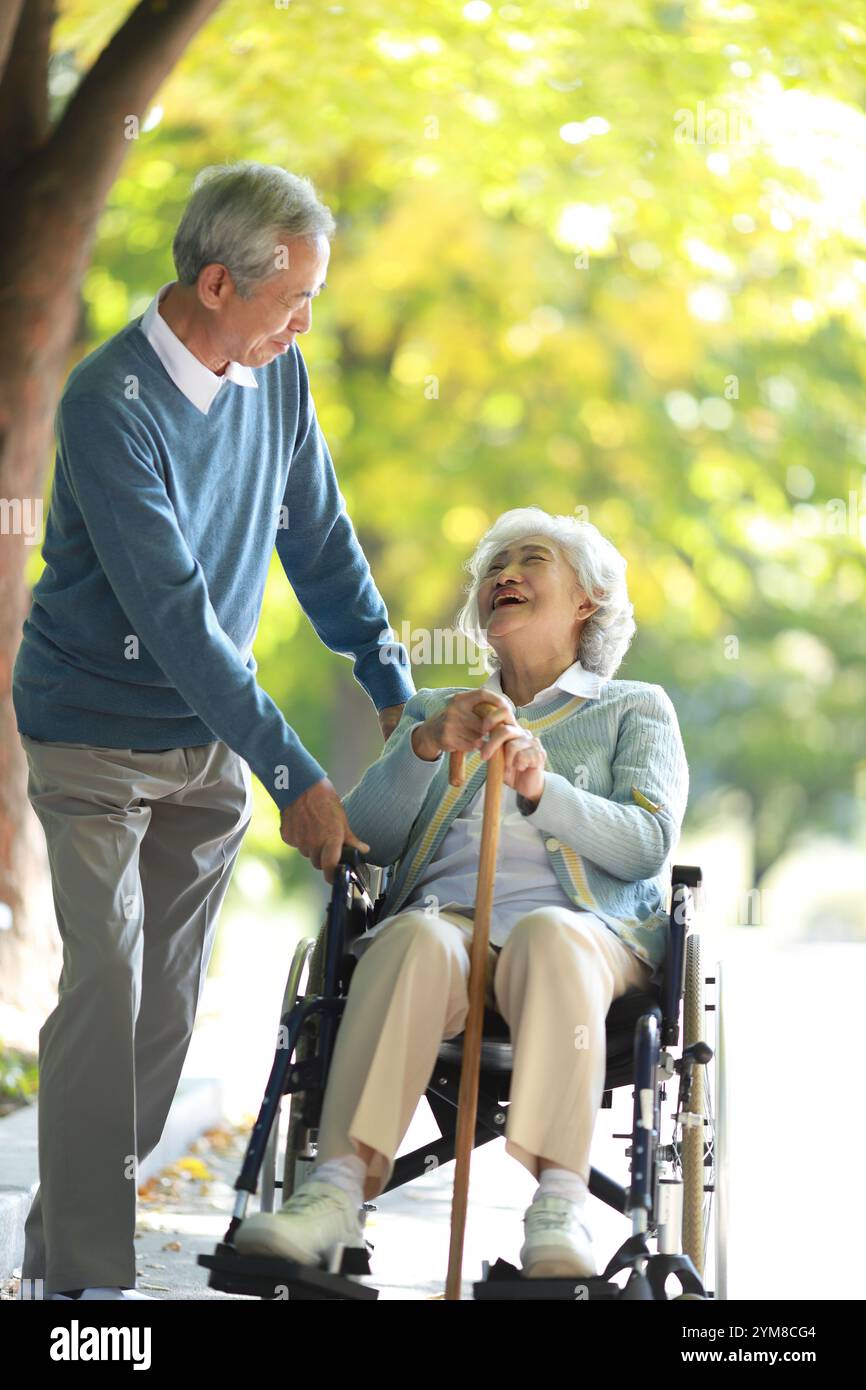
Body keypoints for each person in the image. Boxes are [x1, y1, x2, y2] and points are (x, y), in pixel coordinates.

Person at [12, 162, 413, 1301]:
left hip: (202, 741)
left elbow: (320, 539)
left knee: (166, 1013)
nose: (305, 323)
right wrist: (294, 772)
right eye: (292, 300)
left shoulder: (273, 381)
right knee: (104, 978)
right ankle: (88, 1282)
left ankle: (59, 1238)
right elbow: (179, 618)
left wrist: (389, 678)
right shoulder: (108, 403)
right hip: (91, 732)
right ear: (214, 281)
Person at [234, 505, 690, 1280]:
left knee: (550, 934)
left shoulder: (633, 709)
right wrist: (421, 745)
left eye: (532, 559)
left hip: (585, 937)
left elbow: (648, 844)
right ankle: (335, 1193)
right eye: (494, 567)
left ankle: (559, 1203)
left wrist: (547, 789)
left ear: (589, 601)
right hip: (445, 928)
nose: (503, 574)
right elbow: (364, 840)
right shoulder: (434, 710)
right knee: (410, 935)